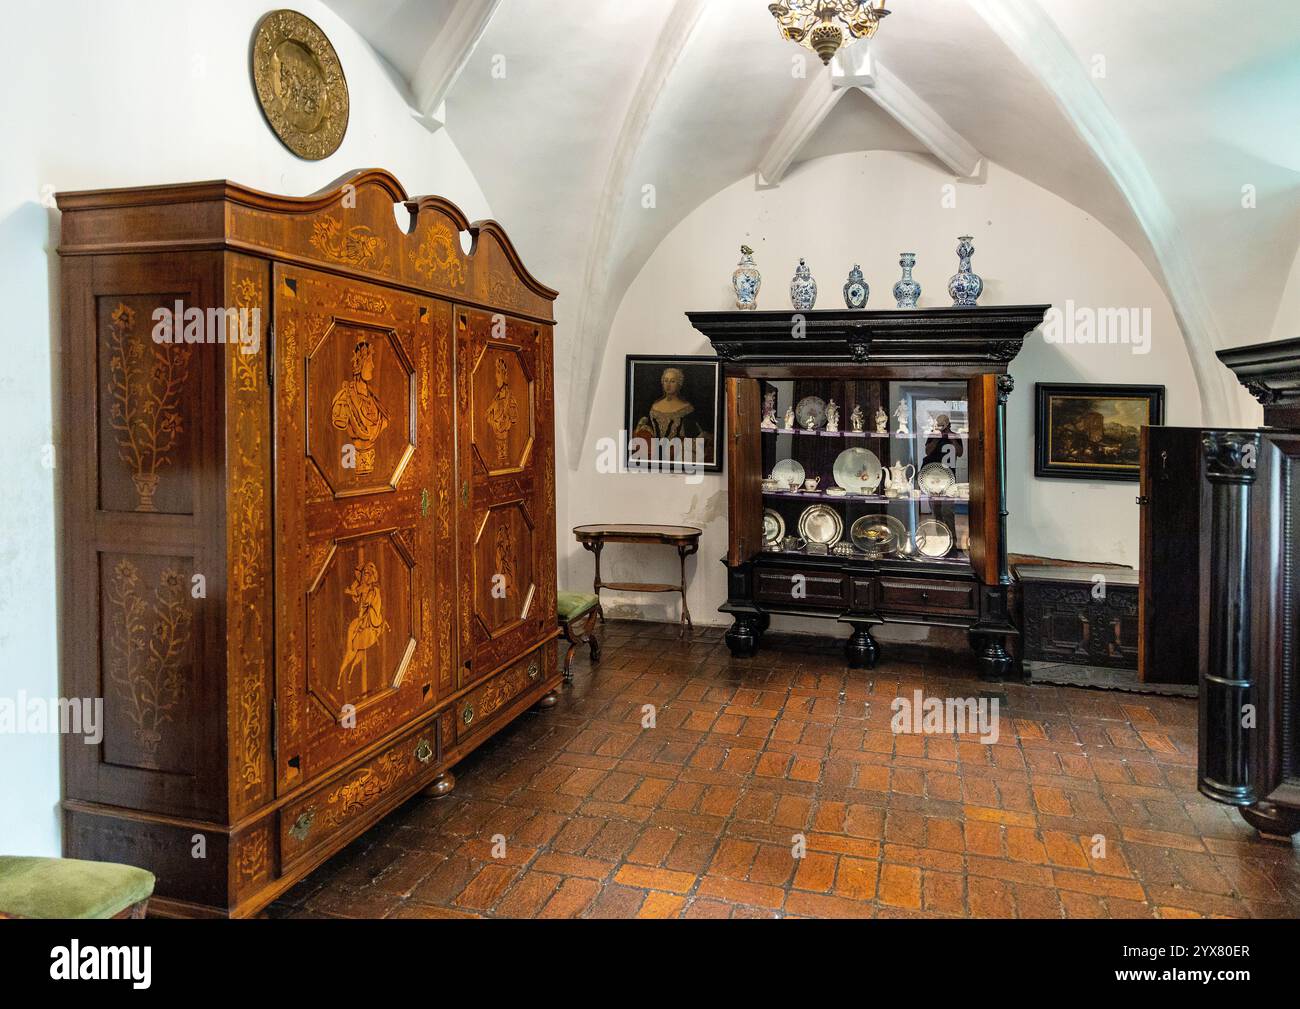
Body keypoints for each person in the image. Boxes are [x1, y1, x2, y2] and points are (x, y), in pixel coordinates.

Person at [632, 366, 712, 468]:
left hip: (677, 454)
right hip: (655, 453)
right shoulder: (655, 405)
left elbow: (692, 434)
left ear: (679, 384)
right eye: (666, 381)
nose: (668, 385)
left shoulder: (686, 408)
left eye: (672, 381)